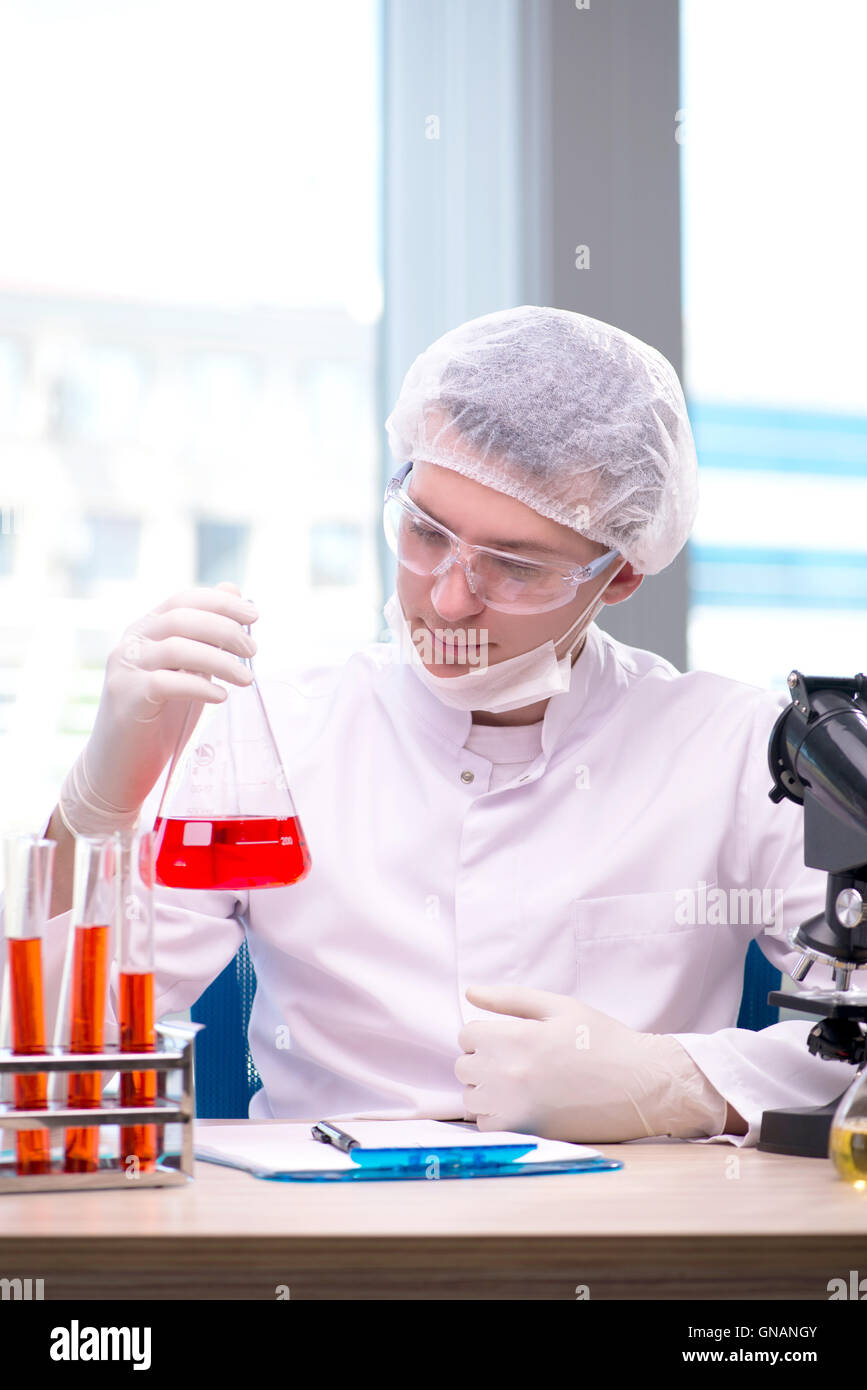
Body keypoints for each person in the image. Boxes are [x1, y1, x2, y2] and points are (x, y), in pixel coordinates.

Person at [37, 306, 853, 1145]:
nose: (448, 597)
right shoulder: (275, 731)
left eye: (516, 566)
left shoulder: (731, 747)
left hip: (626, 1235)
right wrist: (96, 806)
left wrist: (680, 1085)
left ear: (620, 575)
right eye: (426, 532)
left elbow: (854, 1034)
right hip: (321, 1234)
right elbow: (61, 1036)